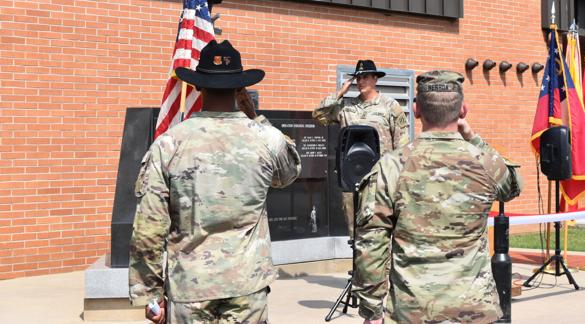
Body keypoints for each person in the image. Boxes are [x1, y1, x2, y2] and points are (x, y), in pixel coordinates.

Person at [129, 40, 301, 324]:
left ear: (198, 86)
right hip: (247, 286)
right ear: (241, 88)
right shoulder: (265, 138)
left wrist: (150, 293)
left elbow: (149, 227)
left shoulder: (169, 144)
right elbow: (287, 175)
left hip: (190, 287)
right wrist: (255, 117)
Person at [353, 71, 524, 323]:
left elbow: (372, 242)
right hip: (473, 310)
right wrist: (472, 136)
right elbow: (513, 185)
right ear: (463, 110)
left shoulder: (391, 166)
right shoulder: (483, 162)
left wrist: (372, 309)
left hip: (413, 311)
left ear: (416, 110)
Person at [312, 59, 409, 236]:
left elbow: (401, 145)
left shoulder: (390, 106)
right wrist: (340, 93)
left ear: (375, 79)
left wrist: (398, 179)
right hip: (351, 178)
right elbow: (319, 115)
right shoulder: (347, 107)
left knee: (379, 231)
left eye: (365, 77)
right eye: (358, 78)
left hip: (380, 179)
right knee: (355, 233)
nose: (360, 81)